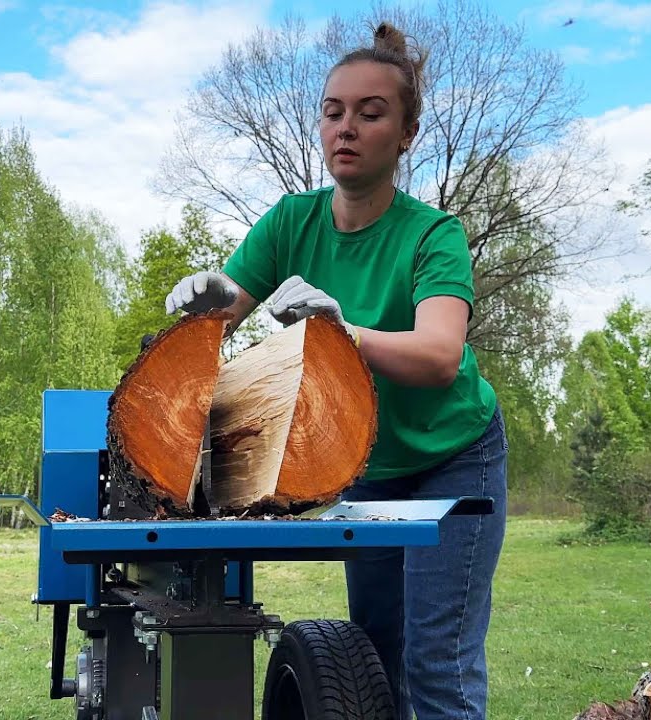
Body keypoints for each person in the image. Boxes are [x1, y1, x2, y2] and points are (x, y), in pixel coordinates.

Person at [164, 21, 507, 720]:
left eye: (370, 113)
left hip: (454, 458)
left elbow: (441, 357)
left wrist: (341, 333)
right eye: (333, 111)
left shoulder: (432, 234)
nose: (346, 127)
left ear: (406, 134)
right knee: (376, 652)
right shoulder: (292, 223)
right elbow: (227, 308)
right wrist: (204, 304)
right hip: (368, 462)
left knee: (435, 661)